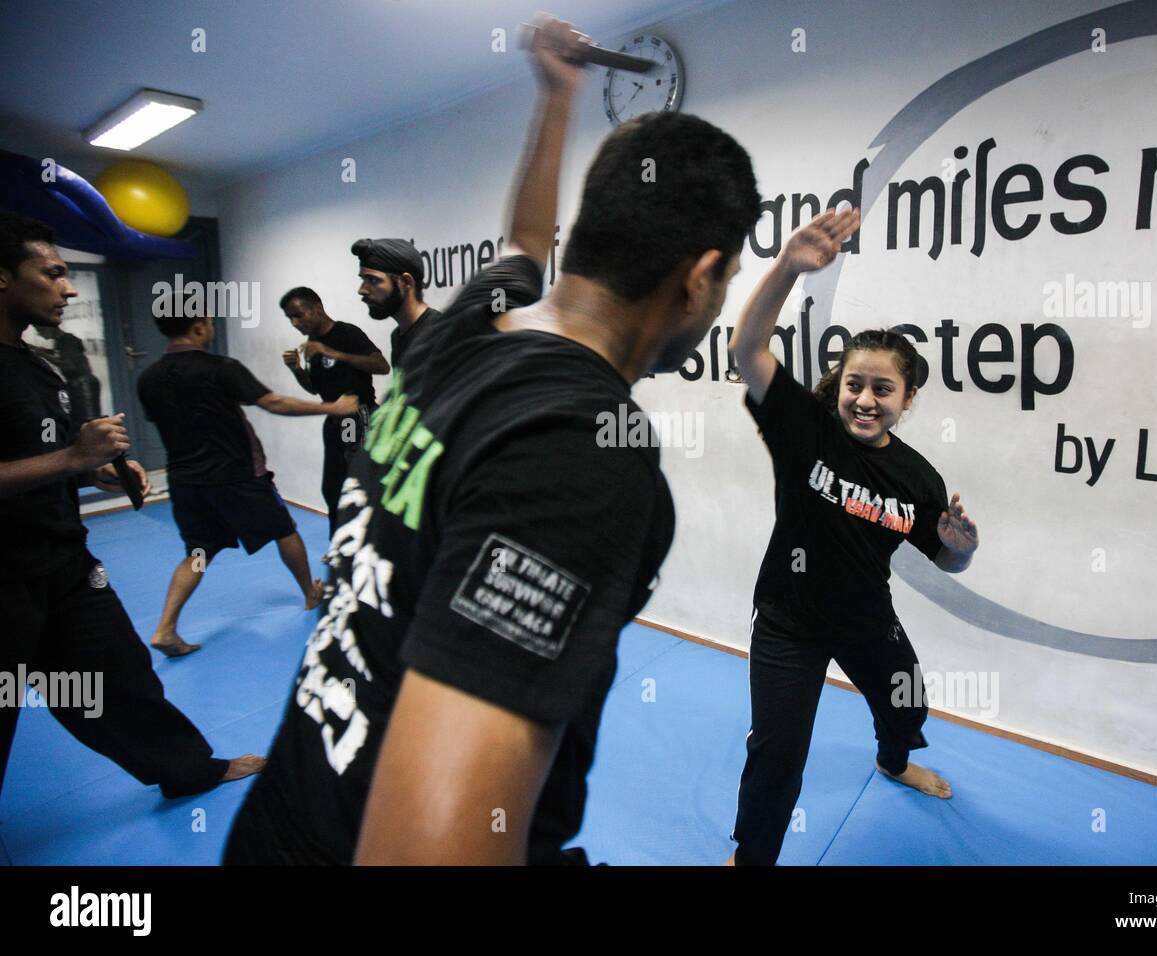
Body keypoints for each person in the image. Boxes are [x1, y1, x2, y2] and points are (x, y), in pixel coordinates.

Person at [224, 15, 761, 866]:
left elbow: (522, 242)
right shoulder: (582, 451)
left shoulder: (465, 322)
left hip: (279, 823)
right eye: (727, 277)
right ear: (698, 279)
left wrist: (556, 96)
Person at [725, 207, 980, 866]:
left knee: (909, 703)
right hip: (787, 621)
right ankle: (751, 859)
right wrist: (786, 266)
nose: (865, 399)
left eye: (883, 389)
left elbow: (945, 561)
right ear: (839, 386)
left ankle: (894, 763)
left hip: (867, 619)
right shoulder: (804, 429)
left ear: (908, 397)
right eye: (855, 384)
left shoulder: (918, 476)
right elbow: (747, 350)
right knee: (777, 755)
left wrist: (961, 546)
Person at [0, 211, 264, 799]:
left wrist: (98, 472)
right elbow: (57, 459)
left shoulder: (37, 367)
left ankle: (189, 769)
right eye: (52, 273)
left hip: (63, 565)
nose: (68, 287)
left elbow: (50, 457)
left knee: (120, 679)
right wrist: (71, 461)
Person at [136, 310, 359, 657]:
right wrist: (334, 409)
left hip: (185, 482)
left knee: (198, 553)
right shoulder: (220, 367)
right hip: (236, 477)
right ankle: (309, 593)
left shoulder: (148, 378)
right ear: (198, 326)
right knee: (285, 530)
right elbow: (274, 402)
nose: (211, 327)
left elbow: (181, 411)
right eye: (208, 322)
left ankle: (165, 628)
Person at [280, 286, 388, 532]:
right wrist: (296, 369)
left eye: (298, 315)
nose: (295, 323)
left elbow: (381, 366)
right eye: (290, 318)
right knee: (332, 488)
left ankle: (369, 543)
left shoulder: (347, 333)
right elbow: (316, 390)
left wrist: (333, 353)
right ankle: (339, 543)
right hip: (334, 420)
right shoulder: (312, 343)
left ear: (316, 309)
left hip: (357, 417)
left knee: (359, 483)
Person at [352, 237, 439, 368]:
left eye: (373, 280)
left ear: (406, 282)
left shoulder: (441, 333)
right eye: (364, 279)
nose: (362, 290)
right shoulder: (397, 337)